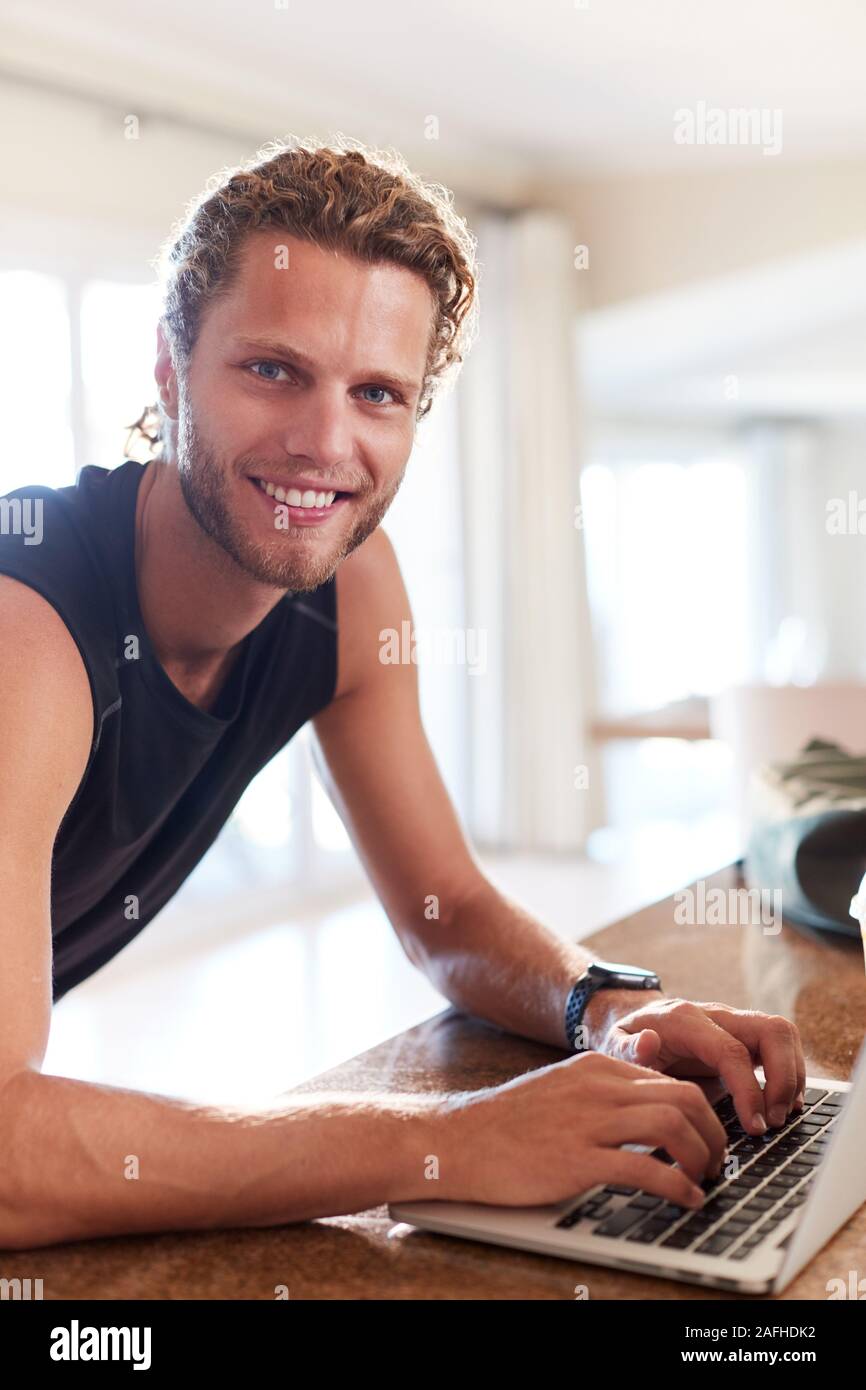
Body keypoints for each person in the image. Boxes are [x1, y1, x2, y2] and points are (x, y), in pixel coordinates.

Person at [0, 137, 804, 1249]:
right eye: (273, 369)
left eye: (377, 392)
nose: (326, 444)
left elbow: (446, 908)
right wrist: (446, 1141)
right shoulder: (24, 629)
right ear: (170, 369)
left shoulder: (349, 585)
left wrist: (607, 1007)